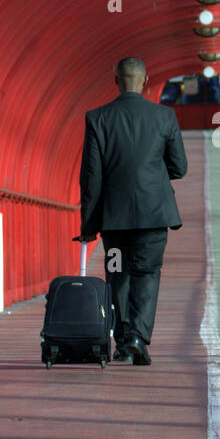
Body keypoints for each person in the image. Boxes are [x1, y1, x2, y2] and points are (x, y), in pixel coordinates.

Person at [78, 57, 187, 365]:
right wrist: (152, 175)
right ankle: (138, 336)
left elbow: (92, 176)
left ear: (116, 81)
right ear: (145, 80)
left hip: (114, 219)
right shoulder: (164, 116)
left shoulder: (97, 117)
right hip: (154, 215)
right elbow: (179, 166)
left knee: (116, 273)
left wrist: (88, 224)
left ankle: (123, 340)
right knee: (147, 273)